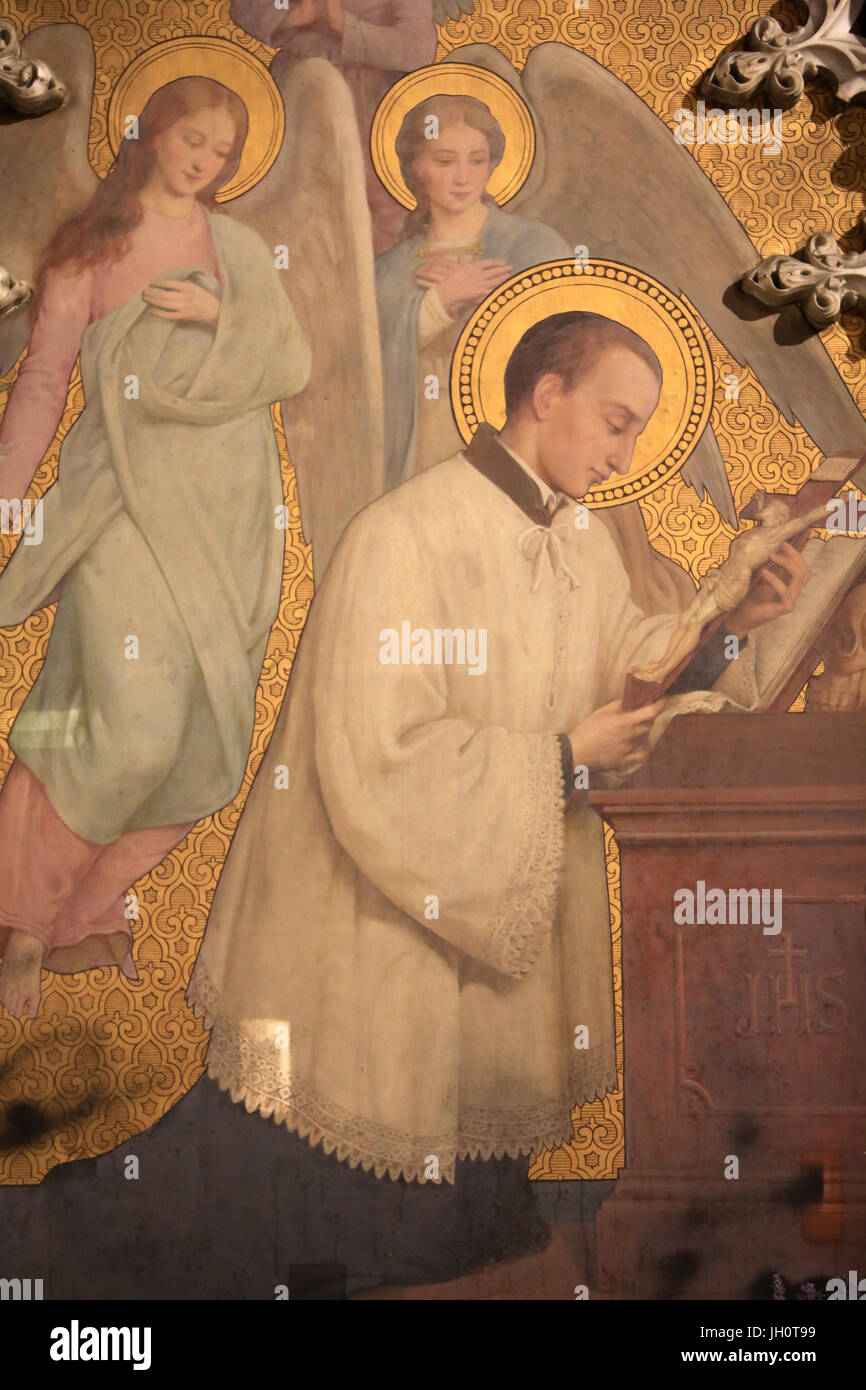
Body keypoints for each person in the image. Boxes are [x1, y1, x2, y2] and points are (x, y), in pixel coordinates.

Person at [184, 310, 808, 1290]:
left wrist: (735, 619)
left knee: (482, 1224)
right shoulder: (404, 533)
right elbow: (377, 755)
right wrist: (559, 756)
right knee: (329, 1230)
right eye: (613, 420)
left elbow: (628, 674)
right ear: (543, 394)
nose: (625, 451)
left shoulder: (580, 540)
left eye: (639, 428)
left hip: (490, 923)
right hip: (367, 930)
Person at [0, 76, 310, 1019]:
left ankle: (76, 915)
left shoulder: (243, 251)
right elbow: (46, 381)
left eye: (221, 151)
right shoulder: (88, 250)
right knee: (127, 728)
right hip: (122, 504)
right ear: (150, 135)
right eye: (192, 139)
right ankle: (17, 926)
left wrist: (223, 319)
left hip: (225, 514)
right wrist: (5, 502)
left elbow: (289, 361)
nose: (204, 161)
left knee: (201, 736)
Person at [374, 93, 697, 614]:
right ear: (414, 168)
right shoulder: (391, 269)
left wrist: (485, 304)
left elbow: (576, 345)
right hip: (424, 436)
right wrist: (436, 304)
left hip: (511, 425)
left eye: (477, 160)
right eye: (444, 160)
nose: (462, 177)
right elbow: (365, 371)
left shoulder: (532, 244)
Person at [230, 0, 436, 254]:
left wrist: (346, 27)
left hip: (368, 106)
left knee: (371, 211)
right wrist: (296, 14)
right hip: (301, 93)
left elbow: (418, 46)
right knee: (295, 204)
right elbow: (247, 8)